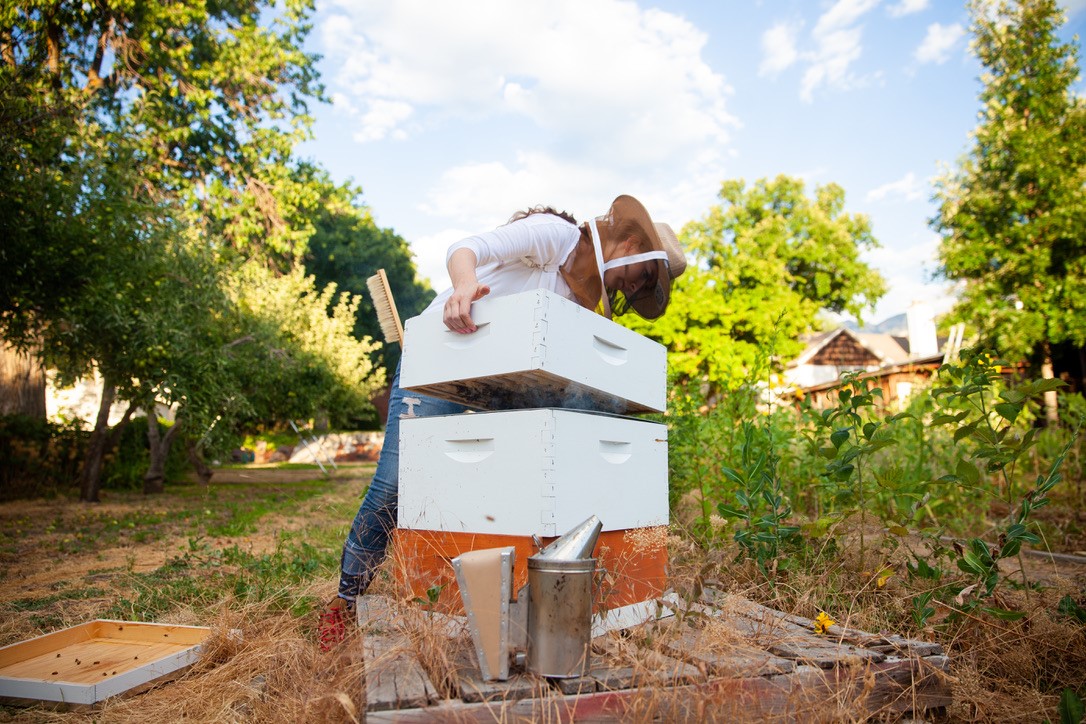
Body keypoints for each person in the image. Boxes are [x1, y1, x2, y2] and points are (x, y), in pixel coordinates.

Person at [318, 195, 686, 650]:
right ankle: (344, 602)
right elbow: (465, 248)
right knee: (396, 486)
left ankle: (468, 601)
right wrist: (465, 287)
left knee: (502, 492)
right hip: (440, 365)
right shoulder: (555, 236)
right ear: (630, 242)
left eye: (644, 287)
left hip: (497, 388)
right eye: (642, 275)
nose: (634, 288)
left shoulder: (581, 301)